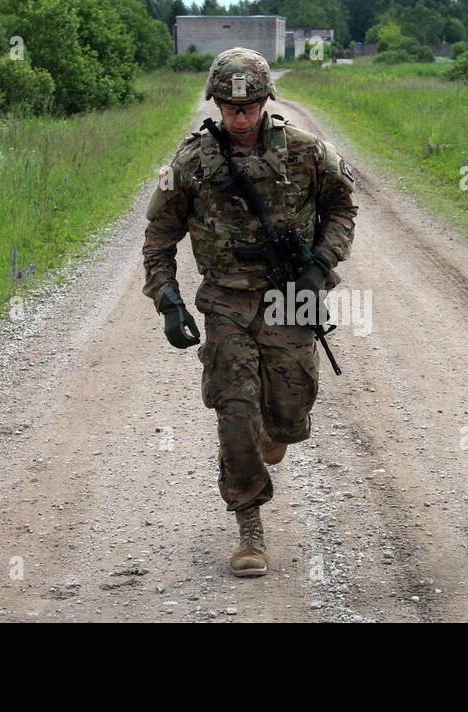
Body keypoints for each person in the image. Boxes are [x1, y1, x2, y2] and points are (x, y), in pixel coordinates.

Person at [141, 48, 357, 576]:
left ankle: (275, 434)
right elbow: (159, 237)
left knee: (289, 414)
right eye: (230, 106)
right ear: (215, 103)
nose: (240, 116)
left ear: (265, 102)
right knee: (235, 411)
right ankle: (249, 527)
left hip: (290, 297)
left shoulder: (306, 153)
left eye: (251, 105)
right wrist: (168, 300)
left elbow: (343, 208)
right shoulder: (191, 163)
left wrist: (320, 265)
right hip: (226, 300)